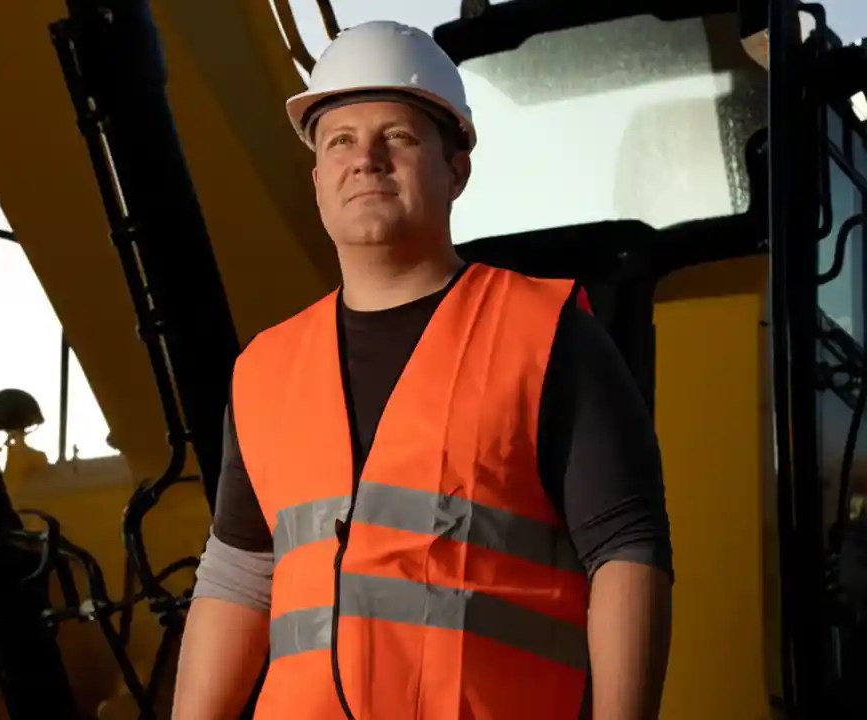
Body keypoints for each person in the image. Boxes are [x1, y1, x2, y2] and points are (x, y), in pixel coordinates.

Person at [171, 19, 673, 720]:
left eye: (398, 137)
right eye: (340, 140)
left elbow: (625, 551)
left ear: (455, 169)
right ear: (317, 179)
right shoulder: (263, 370)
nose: (365, 159)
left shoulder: (548, 333)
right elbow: (240, 575)